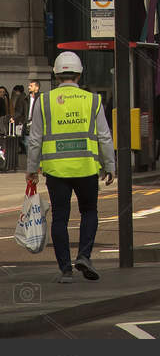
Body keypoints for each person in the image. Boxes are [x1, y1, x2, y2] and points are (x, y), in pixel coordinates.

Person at [25, 53, 115, 284]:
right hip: (86, 168)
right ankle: (84, 255)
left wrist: (32, 169)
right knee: (89, 211)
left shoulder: (44, 101)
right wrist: (109, 165)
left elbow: (35, 140)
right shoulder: (93, 100)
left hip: (56, 171)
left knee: (59, 218)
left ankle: (65, 269)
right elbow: (104, 136)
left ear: (55, 74)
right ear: (79, 73)